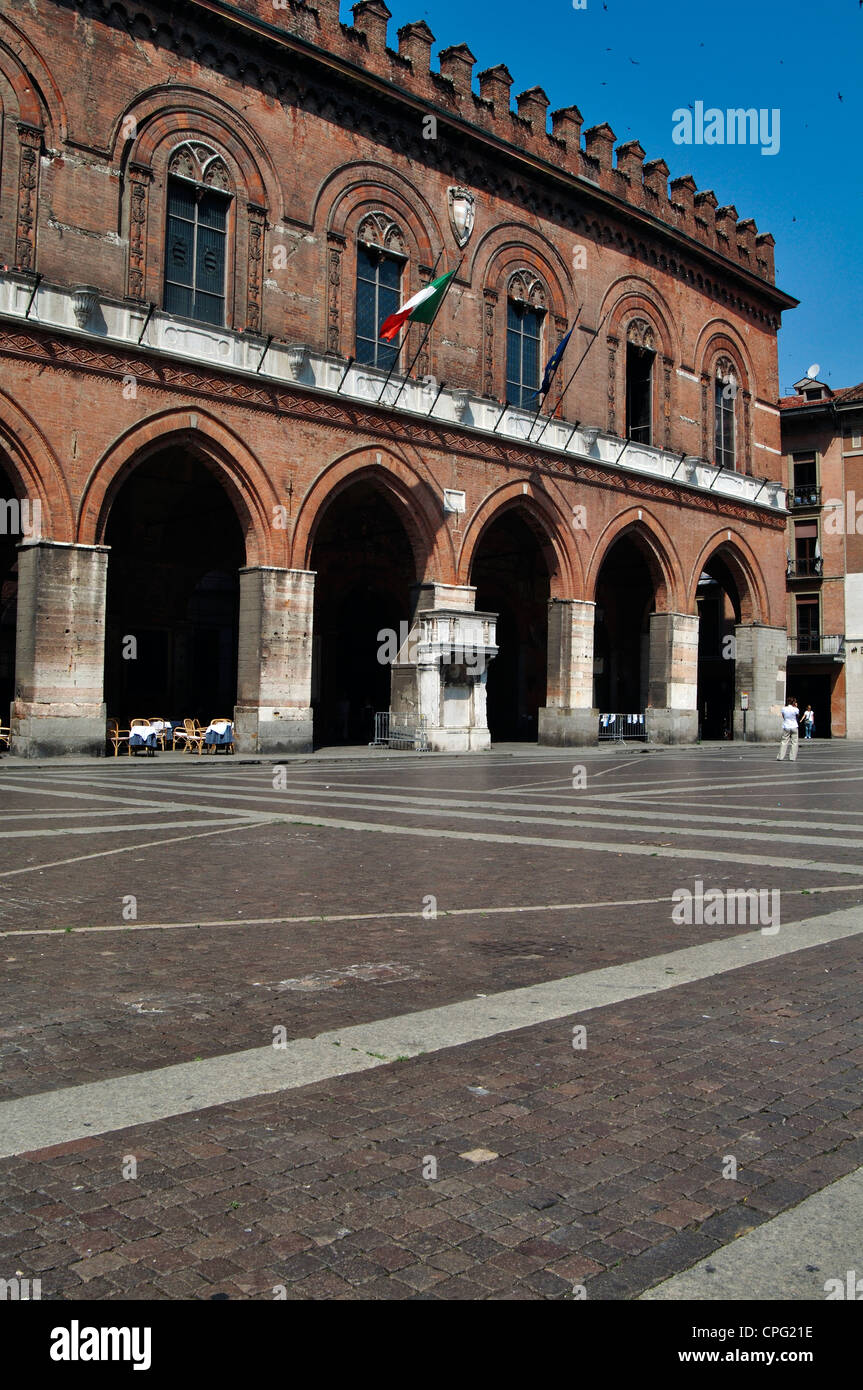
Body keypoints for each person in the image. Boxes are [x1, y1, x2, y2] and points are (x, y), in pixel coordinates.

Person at [776, 697, 800, 762]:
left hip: (786, 726)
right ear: (794, 703)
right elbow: (797, 716)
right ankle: (792, 757)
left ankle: (780, 757)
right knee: (794, 742)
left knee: (784, 741)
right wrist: (796, 707)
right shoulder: (796, 709)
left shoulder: (784, 709)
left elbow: (783, 716)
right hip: (794, 726)